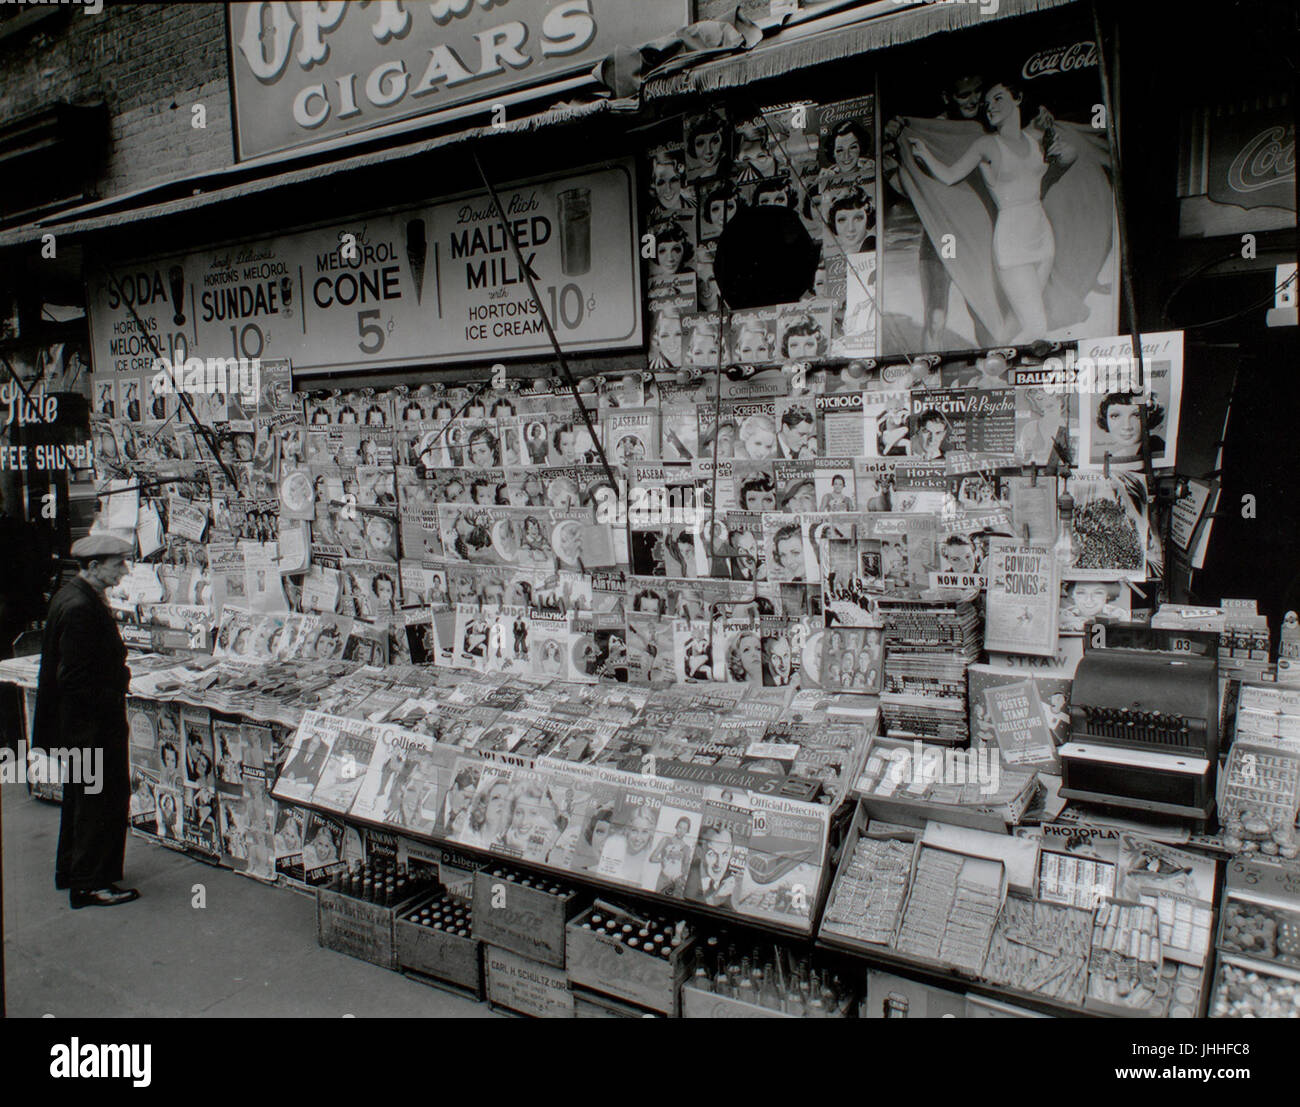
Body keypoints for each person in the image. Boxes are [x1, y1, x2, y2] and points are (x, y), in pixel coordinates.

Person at [908, 78, 1078, 344]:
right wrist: (924, 153)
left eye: (998, 98)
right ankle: (1002, 369)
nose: (990, 107)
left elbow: (1062, 161)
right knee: (1036, 324)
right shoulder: (986, 144)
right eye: (987, 104)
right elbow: (950, 176)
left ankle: (991, 365)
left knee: (1019, 318)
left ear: (1018, 98)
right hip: (1013, 240)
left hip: (1043, 235)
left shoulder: (1035, 138)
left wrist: (1066, 151)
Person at [33, 535, 139, 909]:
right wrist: (115, 692)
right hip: (91, 728)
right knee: (102, 801)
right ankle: (92, 884)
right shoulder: (80, 606)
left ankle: (74, 873)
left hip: (77, 727)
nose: (124, 571)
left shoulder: (72, 595)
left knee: (81, 800)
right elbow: (75, 678)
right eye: (117, 564)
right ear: (94, 567)